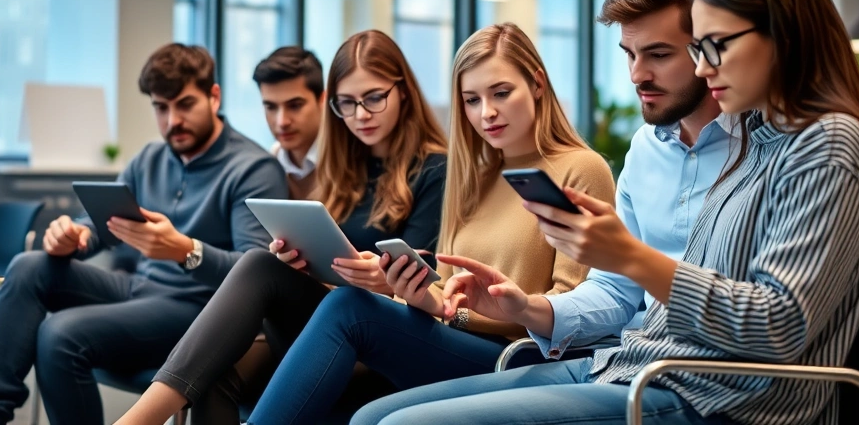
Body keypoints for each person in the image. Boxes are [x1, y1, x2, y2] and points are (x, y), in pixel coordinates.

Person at [350, 0, 859, 425]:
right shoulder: (755, 146)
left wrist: (632, 258)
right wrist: (530, 307)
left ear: (782, 37)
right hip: (644, 368)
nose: (705, 68)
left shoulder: (822, 145)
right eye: (698, 49)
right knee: (373, 415)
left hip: (712, 395)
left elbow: (775, 327)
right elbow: (632, 299)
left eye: (711, 47)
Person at [350, 0, 738, 423]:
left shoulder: (765, 153)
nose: (636, 75)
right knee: (368, 417)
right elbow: (614, 294)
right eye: (630, 55)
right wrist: (528, 306)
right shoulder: (645, 150)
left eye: (657, 54)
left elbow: (765, 321)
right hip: (616, 362)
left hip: (679, 377)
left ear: (706, 50)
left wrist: (488, 314)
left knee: (381, 388)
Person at [244, 22, 617, 425]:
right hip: (454, 337)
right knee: (359, 395)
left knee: (349, 309)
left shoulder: (579, 169)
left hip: (518, 355)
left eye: (501, 93)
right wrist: (416, 294)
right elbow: (444, 288)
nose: (486, 112)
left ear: (538, 85)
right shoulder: (474, 175)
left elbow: (573, 310)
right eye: (471, 99)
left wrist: (455, 310)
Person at [114, 30, 448, 425]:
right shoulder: (343, 170)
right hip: (332, 316)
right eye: (347, 103)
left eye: (374, 98)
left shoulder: (435, 170)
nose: (360, 114)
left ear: (404, 92)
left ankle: (138, 420)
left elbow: (428, 286)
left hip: (387, 333)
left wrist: (382, 279)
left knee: (258, 265)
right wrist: (303, 262)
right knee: (217, 371)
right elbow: (330, 271)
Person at [0, 44, 288, 425]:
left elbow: (258, 272)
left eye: (184, 104)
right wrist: (75, 235)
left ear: (214, 96)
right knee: (28, 265)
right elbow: (98, 225)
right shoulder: (148, 159)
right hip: (139, 289)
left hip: (199, 310)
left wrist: (186, 250)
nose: (173, 121)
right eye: (161, 108)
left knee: (59, 335)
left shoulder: (253, 169)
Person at [254, 46, 325, 200]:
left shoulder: (350, 162)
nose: (282, 122)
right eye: (271, 107)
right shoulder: (266, 166)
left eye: (295, 106)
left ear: (322, 100)